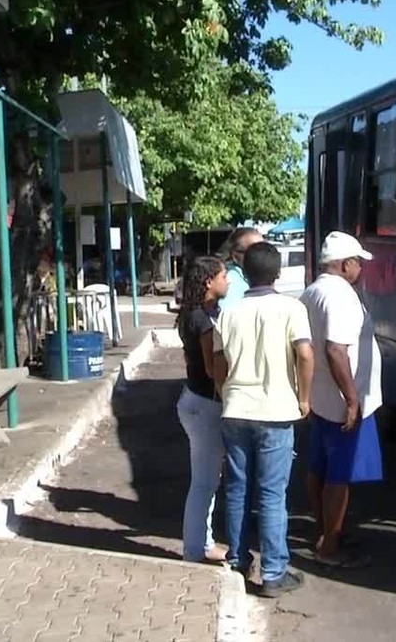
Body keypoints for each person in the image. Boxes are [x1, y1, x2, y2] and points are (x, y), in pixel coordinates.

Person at [213, 242, 314, 597]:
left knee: (238, 489)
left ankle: (239, 561)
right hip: (276, 412)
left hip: (236, 409)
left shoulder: (228, 312)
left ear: (245, 272)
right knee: (272, 494)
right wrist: (303, 397)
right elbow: (304, 354)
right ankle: (273, 573)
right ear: (278, 273)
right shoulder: (291, 308)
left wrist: (225, 392)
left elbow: (218, 365)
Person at [299, 231, 383, 568]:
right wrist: (351, 399)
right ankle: (330, 546)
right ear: (346, 263)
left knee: (318, 467)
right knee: (340, 475)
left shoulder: (311, 292)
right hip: (340, 402)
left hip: (320, 397)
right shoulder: (340, 296)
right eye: (358, 262)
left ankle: (324, 530)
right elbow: (336, 350)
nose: (360, 268)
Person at [174, 255, 230, 564]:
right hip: (205, 405)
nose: (229, 280)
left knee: (207, 480)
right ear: (209, 281)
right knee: (204, 483)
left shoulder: (196, 313)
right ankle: (194, 551)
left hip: (194, 401)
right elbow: (213, 369)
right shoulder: (204, 320)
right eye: (223, 276)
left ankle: (202, 544)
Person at [217, 226, 263, 311]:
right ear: (235, 255)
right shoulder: (231, 279)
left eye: (264, 249)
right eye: (254, 251)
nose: (261, 255)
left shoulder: (252, 276)